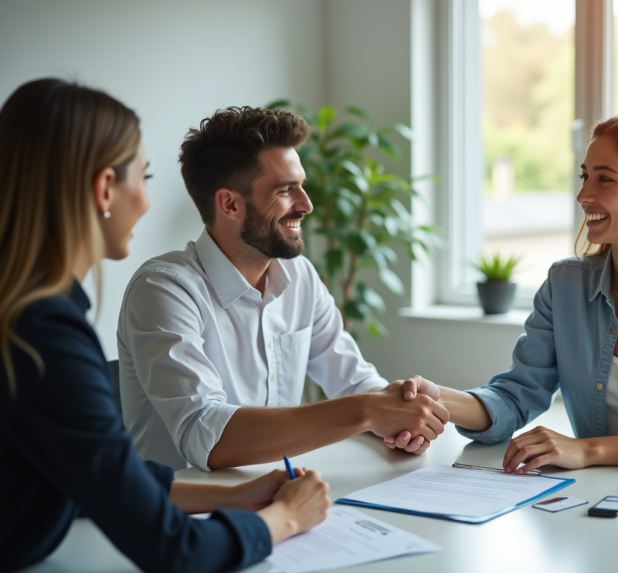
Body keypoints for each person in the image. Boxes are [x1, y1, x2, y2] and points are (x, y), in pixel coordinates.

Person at [0, 79, 331, 573]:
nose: (148, 201)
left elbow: (97, 476)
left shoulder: (37, 310)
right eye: (145, 177)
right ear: (104, 188)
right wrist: (285, 518)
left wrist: (238, 496)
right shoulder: (44, 334)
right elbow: (174, 550)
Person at [390, 111, 618, 473]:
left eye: (605, 180)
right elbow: (517, 394)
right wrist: (435, 398)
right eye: (585, 177)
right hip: (615, 497)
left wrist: (586, 450)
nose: (583, 195)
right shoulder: (564, 285)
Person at [118, 106, 447, 471]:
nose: (306, 205)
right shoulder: (164, 289)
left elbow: (354, 382)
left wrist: (399, 411)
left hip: (282, 498)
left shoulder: (300, 277)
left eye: (301, 186)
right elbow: (207, 437)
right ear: (230, 203)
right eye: (286, 191)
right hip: (183, 514)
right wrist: (368, 410)